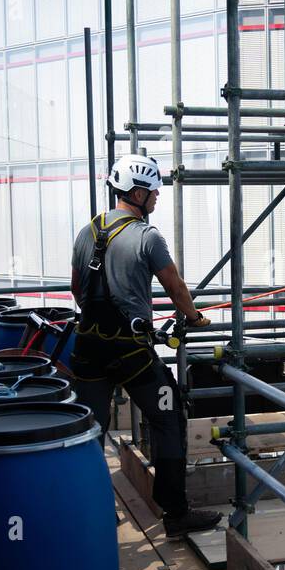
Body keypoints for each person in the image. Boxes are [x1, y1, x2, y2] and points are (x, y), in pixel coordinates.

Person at [70, 152, 219, 537]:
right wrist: (195, 317)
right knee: (168, 417)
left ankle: (86, 513)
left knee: (89, 432)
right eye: (153, 192)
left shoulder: (86, 232)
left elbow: (77, 289)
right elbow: (175, 286)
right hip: (130, 352)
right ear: (136, 194)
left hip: (87, 348)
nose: (156, 199)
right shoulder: (147, 237)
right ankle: (175, 513)